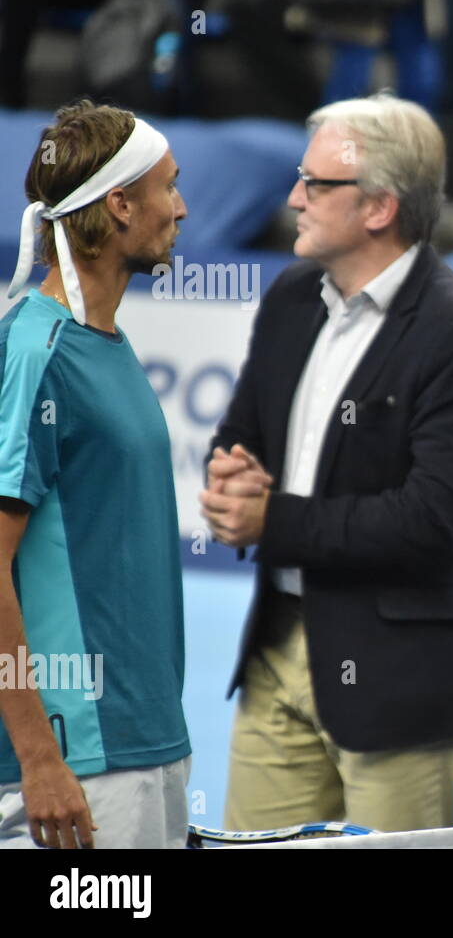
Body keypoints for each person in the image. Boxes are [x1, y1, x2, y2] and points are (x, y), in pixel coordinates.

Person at [202, 94, 453, 833]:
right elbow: (241, 428)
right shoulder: (289, 297)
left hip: (402, 680)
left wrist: (270, 518)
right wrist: (229, 477)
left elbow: (430, 519)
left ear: (378, 207)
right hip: (276, 658)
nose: (292, 199)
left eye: (315, 184)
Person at [0, 100, 191, 848]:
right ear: (119, 206)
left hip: (143, 746)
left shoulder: (103, 341)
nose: (180, 207)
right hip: (78, 765)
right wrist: (40, 758)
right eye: (167, 188)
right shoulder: (33, 352)